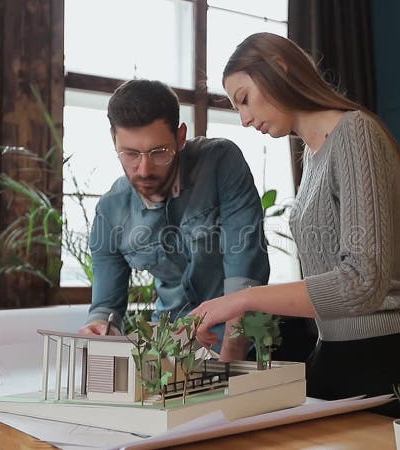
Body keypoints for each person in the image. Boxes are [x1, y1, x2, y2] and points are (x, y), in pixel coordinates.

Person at [188, 33, 400, 428]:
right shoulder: (312, 157)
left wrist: (242, 300)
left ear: (279, 68)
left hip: (390, 362)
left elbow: (362, 283)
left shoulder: (355, 133)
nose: (242, 118)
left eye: (243, 98)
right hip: (336, 356)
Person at [78, 79, 270, 361]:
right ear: (114, 142)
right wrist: (98, 328)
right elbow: (106, 309)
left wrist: (229, 368)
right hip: (170, 350)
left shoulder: (220, 163)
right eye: (130, 154)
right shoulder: (109, 212)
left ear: (181, 137)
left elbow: (245, 278)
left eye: (158, 152)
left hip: (242, 346)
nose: (144, 170)